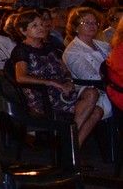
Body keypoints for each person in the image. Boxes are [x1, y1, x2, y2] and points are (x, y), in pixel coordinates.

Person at [8, 11, 102, 147]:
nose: (41, 28)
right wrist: (51, 82)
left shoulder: (50, 47)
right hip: (42, 95)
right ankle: (69, 145)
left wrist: (68, 81)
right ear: (23, 31)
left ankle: (70, 147)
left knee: (96, 106)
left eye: (42, 24)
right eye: (34, 25)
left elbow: (65, 70)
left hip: (61, 91)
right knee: (93, 102)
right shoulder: (22, 50)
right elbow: (21, 77)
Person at [62, 7, 113, 121]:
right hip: (93, 92)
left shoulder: (103, 45)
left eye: (95, 23)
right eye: (87, 23)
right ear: (75, 27)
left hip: (110, 86)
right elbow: (90, 76)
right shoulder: (73, 51)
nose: (92, 26)